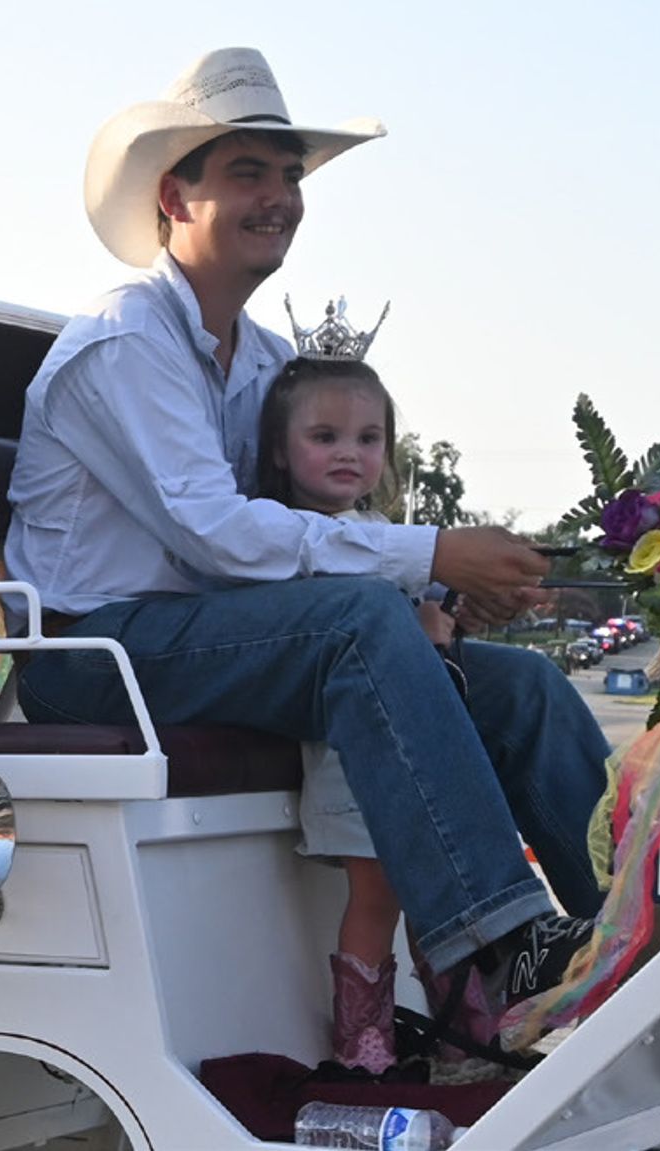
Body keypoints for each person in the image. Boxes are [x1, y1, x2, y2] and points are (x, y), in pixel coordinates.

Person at [4, 47, 618, 1053]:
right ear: (175, 196)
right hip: (97, 655)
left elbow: (298, 530)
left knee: (521, 689)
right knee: (365, 621)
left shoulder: (268, 364)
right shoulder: (128, 345)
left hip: (215, 640)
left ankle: (626, 920)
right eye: (250, 172)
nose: (281, 197)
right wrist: (427, 556)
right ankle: (502, 939)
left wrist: (448, 589)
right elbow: (220, 531)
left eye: (290, 177)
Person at [258, 353, 474, 1073]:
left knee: (432, 888)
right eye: (325, 436)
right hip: (352, 752)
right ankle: (364, 1042)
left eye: (368, 437)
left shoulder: (380, 533)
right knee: (379, 890)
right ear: (280, 452)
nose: (350, 452)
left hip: (408, 745)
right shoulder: (280, 536)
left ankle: (454, 1024)